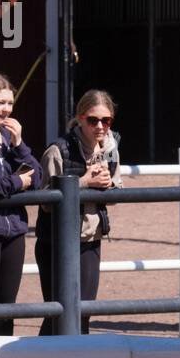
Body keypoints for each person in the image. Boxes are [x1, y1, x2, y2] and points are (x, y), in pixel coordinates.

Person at [34, 91, 122, 335]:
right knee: (58, 314)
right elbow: (45, 200)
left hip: (90, 238)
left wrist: (107, 187)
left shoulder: (111, 147)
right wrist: (82, 182)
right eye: (93, 120)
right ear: (80, 118)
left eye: (107, 121)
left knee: (83, 312)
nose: (101, 127)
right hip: (58, 241)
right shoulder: (58, 150)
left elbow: (117, 190)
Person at [0, 73, 42, 334]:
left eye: (10, 103)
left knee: (8, 309)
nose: (6, 110)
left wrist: (19, 144)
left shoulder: (7, 139)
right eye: (0, 102)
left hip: (14, 230)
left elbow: (37, 176)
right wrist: (18, 183)